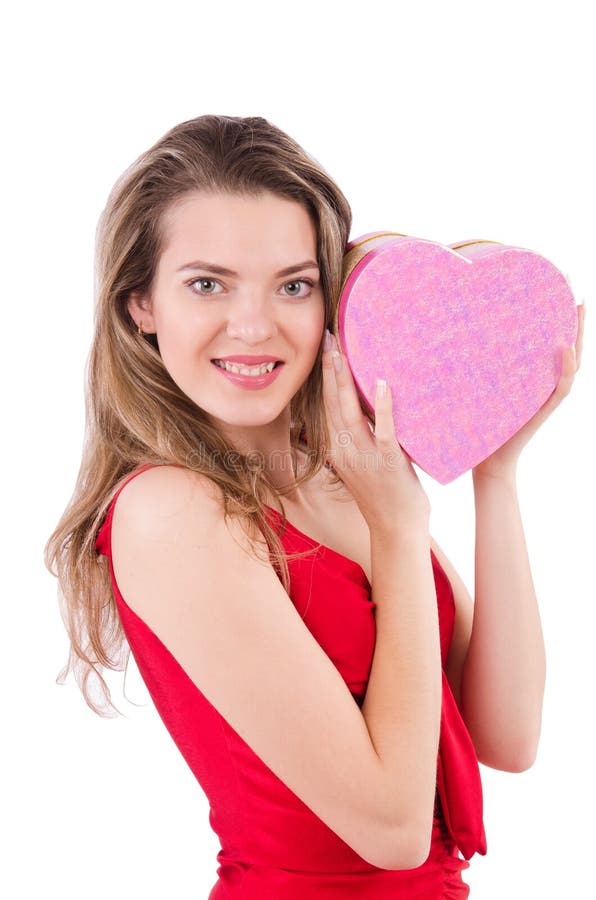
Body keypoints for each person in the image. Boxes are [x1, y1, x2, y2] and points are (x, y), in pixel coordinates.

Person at [44, 114, 584, 899]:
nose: (254, 326)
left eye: (293, 285)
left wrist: (495, 474)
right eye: (207, 284)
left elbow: (509, 736)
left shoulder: (345, 475)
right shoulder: (170, 512)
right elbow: (393, 830)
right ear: (141, 305)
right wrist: (398, 529)